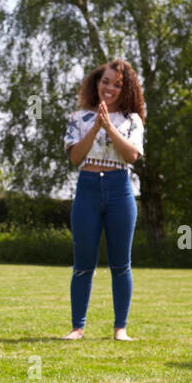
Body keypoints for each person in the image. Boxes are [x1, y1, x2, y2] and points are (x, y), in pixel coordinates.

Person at [61, 60, 145, 341]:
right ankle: (77, 328)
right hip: (87, 189)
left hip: (119, 189)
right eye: (105, 81)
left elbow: (131, 156)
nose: (110, 88)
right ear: (96, 83)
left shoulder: (132, 120)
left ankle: (120, 328)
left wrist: (109, 127)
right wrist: (96, 126)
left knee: (121, 264)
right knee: (83, 263)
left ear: (125, 90)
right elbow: (75, 157)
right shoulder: (78, 118)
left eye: (117, 85)